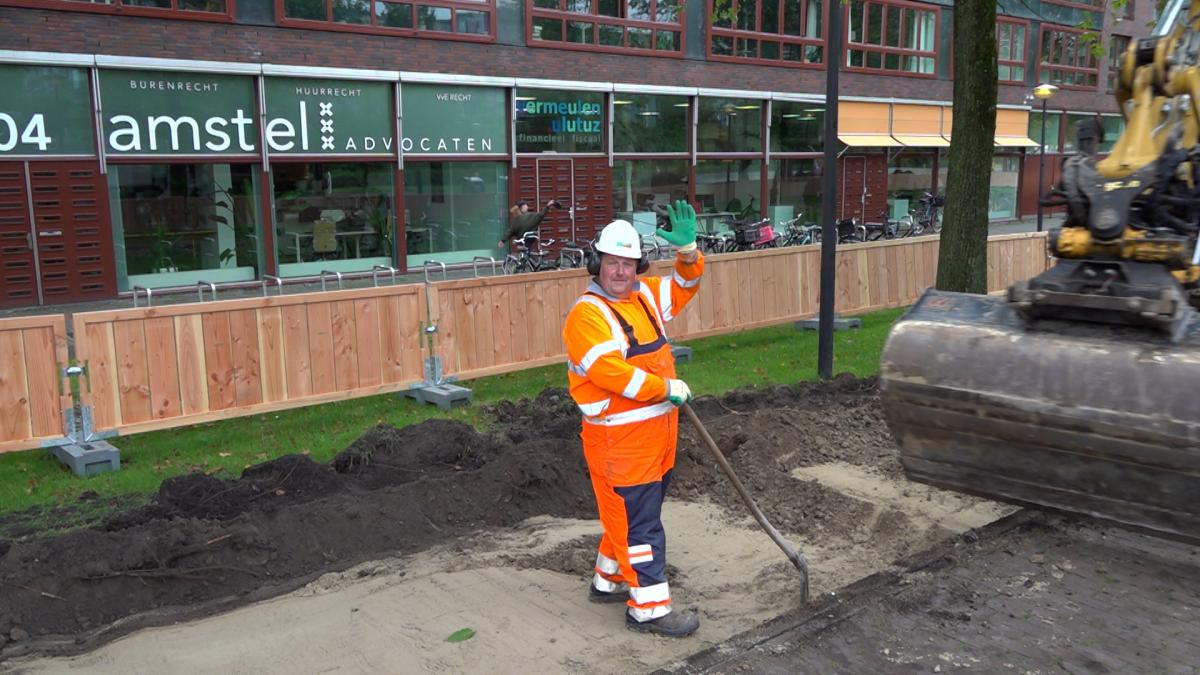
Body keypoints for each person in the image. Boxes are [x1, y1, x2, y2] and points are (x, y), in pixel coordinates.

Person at [561, 201, 704, 637]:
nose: (620, 271)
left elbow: (684, 285)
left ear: (638, 267)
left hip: (656, 434)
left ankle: (608, 579)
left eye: (627, 263)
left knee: (631, 514)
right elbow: (611, 373)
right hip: (620, 442)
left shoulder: (644, 298)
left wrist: (688, 252)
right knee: (640, 525)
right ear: (597, 263)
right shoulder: (587, 315)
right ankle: (649, 609)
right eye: (612, 262)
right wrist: (665, 388)